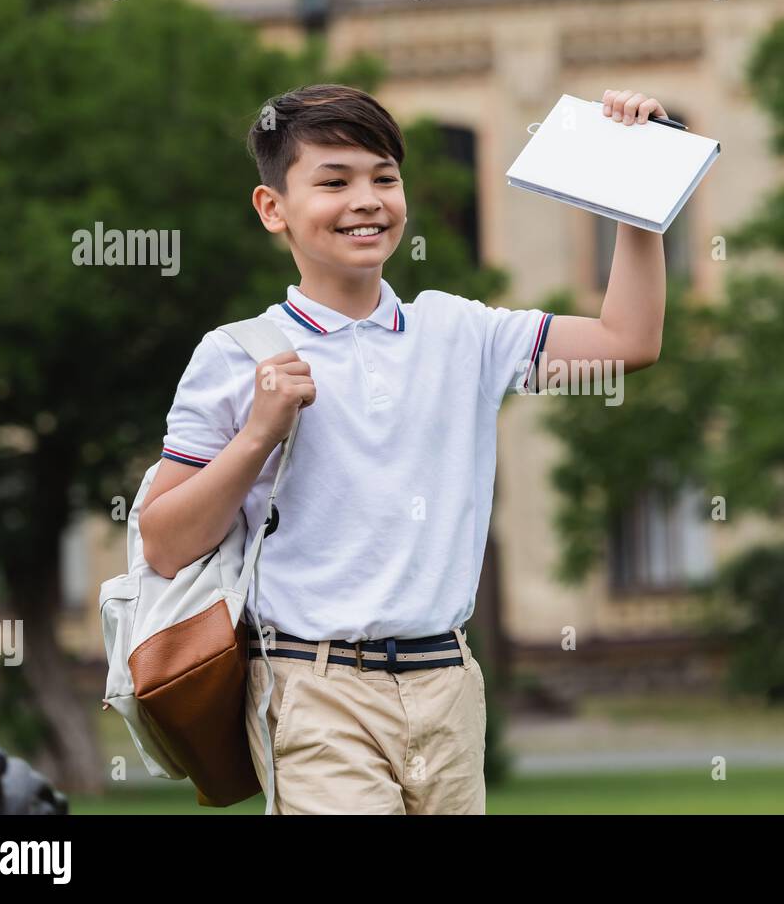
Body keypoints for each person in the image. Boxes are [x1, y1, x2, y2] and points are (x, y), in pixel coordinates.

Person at [138, 85, 671, 813]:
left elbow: (627, 341)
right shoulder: (237, 355)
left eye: (384, 177)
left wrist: (639, 188)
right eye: (333, 181)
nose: (366, 199)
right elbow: (165, 544)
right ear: (273, 208)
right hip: (312, 686)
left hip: (448, 681)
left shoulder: (463, 333)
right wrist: (258, 433)